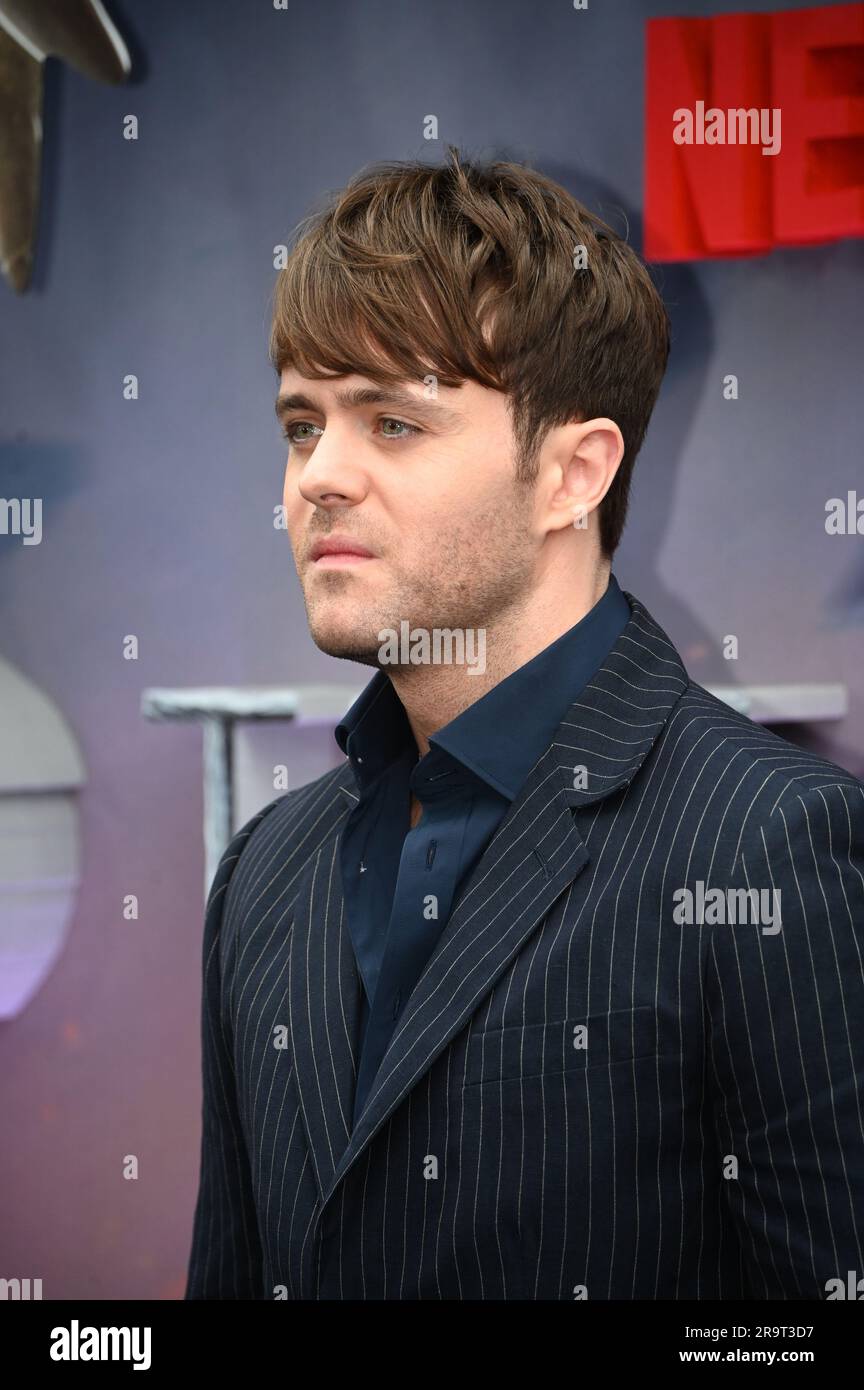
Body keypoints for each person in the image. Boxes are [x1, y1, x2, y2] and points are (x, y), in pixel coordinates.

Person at [185, 146, 864, 1300]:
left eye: (393, 422)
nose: (317, 479)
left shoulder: (772, 846)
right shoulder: (263, 871)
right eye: (304, 425)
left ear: (573, 475)